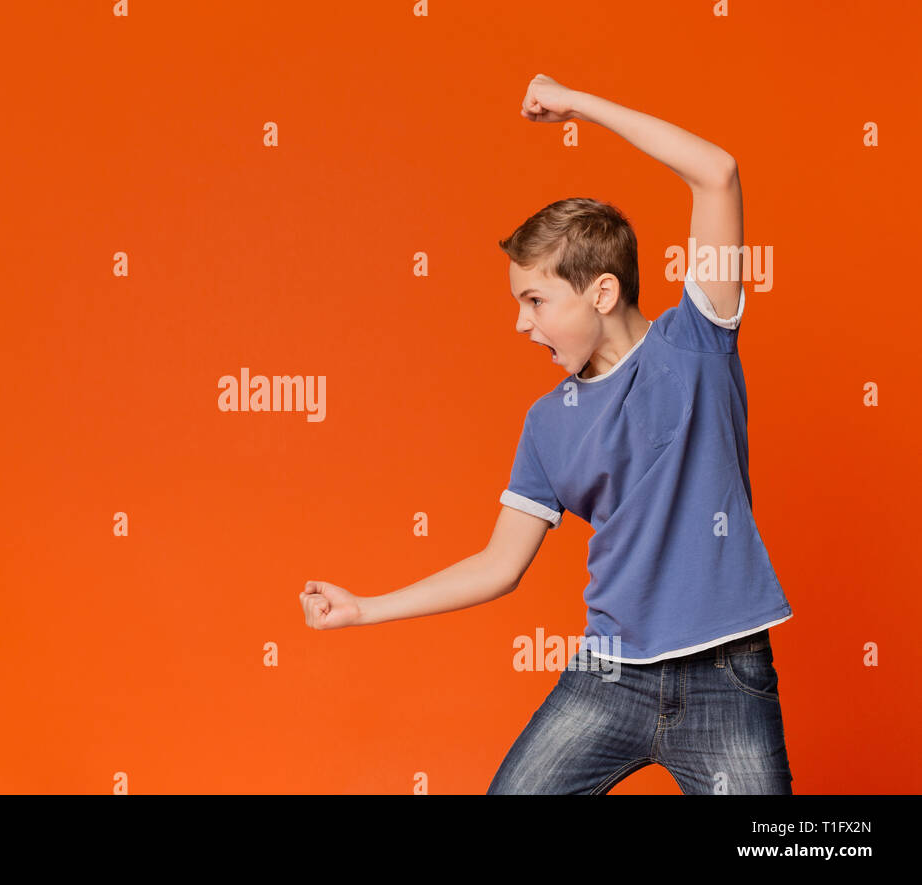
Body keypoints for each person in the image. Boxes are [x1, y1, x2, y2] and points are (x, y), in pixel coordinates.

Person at [298, 74, 794, 795]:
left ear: (602, 290)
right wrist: (365, 607)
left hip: (726, 674)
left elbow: (716, 172)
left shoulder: (699, 339)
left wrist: (578, 105)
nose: (521, 323)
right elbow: (500, 565)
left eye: (534, 299)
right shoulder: (545, 422)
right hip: (607, 674)